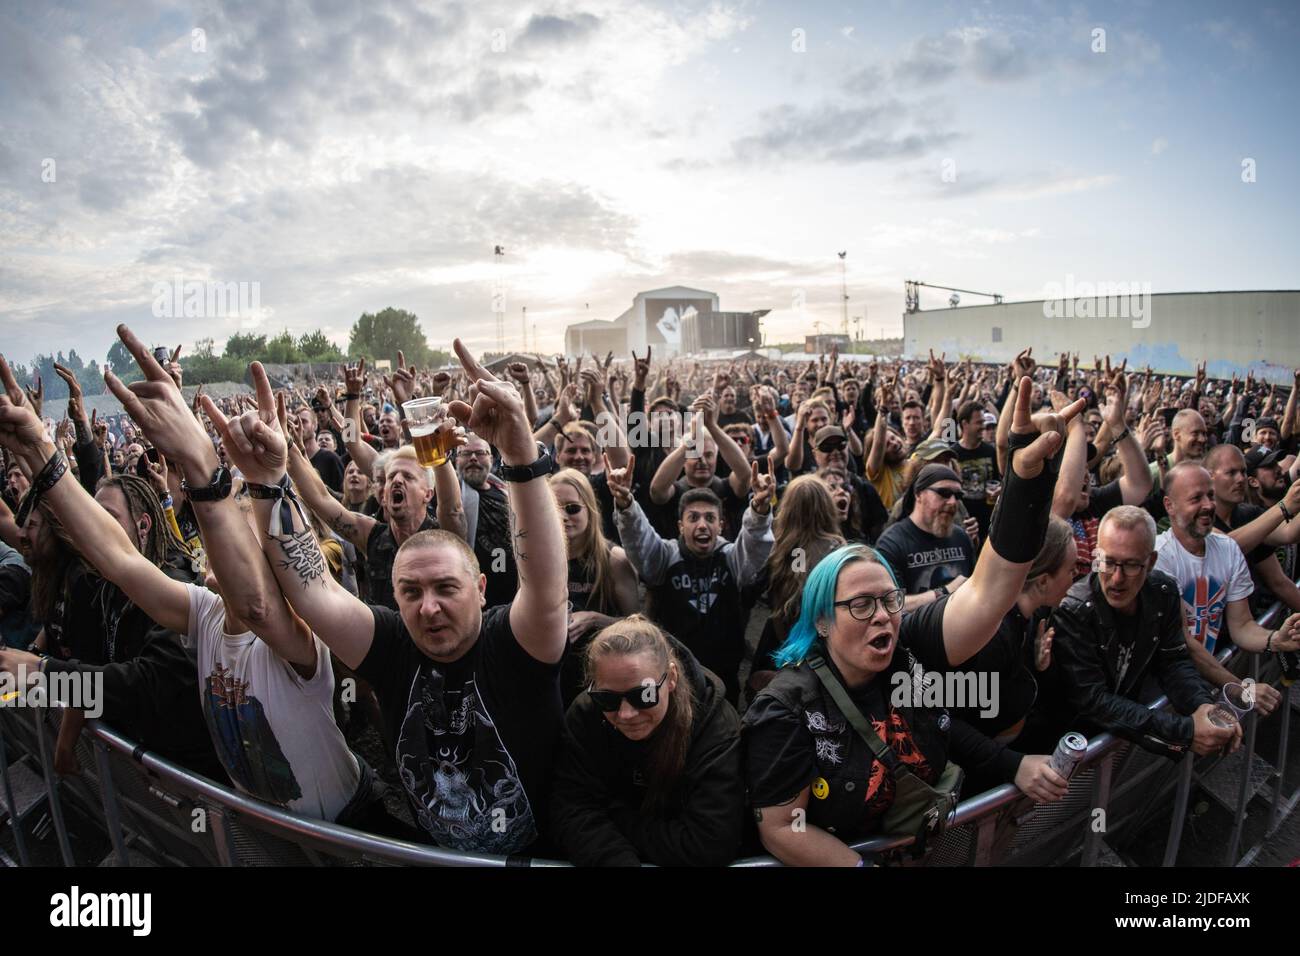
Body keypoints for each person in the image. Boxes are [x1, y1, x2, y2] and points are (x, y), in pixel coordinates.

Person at [203, 343, 569, 854]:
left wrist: (520, 456)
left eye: (447, 588)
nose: (429, 607)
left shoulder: (515, 645)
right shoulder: (396, 645)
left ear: (482, 589)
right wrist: (267, 483)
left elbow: (547, 588)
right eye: (410, 592)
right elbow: (314, 593)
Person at [742, 380, 1079, 865]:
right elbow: (781, 829)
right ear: (821, 621)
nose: (882, 616)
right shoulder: (786, 710)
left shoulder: (910, 653)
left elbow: (989, 592)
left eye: (890, 600)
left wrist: (1026, 481)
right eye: (860, 606)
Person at [1049, 506, 1264, 758]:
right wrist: (1184, 731)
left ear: (1150, 562)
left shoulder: (1162, 592)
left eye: (1130, 565)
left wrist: (1203, 707)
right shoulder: (1075, 611)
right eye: (1108, 562)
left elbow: (1173, 661)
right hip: (1067, 749)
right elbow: (1092, 700)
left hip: (1118, 742)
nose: (1117, 578)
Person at [550, 617, 743, 866]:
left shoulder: (716, 727)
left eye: (644, 694)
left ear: (671, 678)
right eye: (607, 699)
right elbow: (569, 807)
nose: (626, 714)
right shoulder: (586, 715)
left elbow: (710, 843)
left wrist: (616, 815)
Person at [610, 455, 774, 704]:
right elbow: (640, 539)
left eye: (710, 518)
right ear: (680, 525)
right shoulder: (665, 556)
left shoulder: (731, 557)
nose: (702, 525)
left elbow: (753, 544)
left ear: (721, 525)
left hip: (724, 674)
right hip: (674, 673)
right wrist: (626, 504)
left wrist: (760, 511)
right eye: (693, 517)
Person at [747, 475, 845, 701]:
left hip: (783, 637)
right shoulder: (835, 547)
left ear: (788, 508)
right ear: (825, 508)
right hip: (822, 640)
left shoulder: (779, 546)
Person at [550, 469, 639, 707]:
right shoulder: (539, 560)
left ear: (590, 509)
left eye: (572, 508)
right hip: (552, 679)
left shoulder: (614, 560)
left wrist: (594, 619)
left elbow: (639, 626)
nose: (564, 516)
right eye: (555, 508)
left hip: (602, 680)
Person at [647, 394, 753, 542]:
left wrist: (712, 426)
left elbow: (745, 475)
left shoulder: (725, 487)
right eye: (695, 454)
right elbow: (657, 490)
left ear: (716, 458)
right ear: (683, 460)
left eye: (709, 455)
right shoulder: (675, 491)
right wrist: (690, 441)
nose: (702, 461)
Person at [874, 464, 976, 610]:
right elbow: (890, 604)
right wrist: (944, 592)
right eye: (944, 493)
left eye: (958, 496)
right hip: (916, 630)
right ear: (919, 494)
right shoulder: (892, 543)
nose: (953, 502)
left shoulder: (961, 537)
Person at [949, 400, 1001, 539]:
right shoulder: (953, 454)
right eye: (979, 422)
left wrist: (998, 490)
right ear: (965, 424)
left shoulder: (990, 451)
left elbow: (998, 480)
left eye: (983, 422)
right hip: (964, 523)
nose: (983, 426)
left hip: (990, 522)